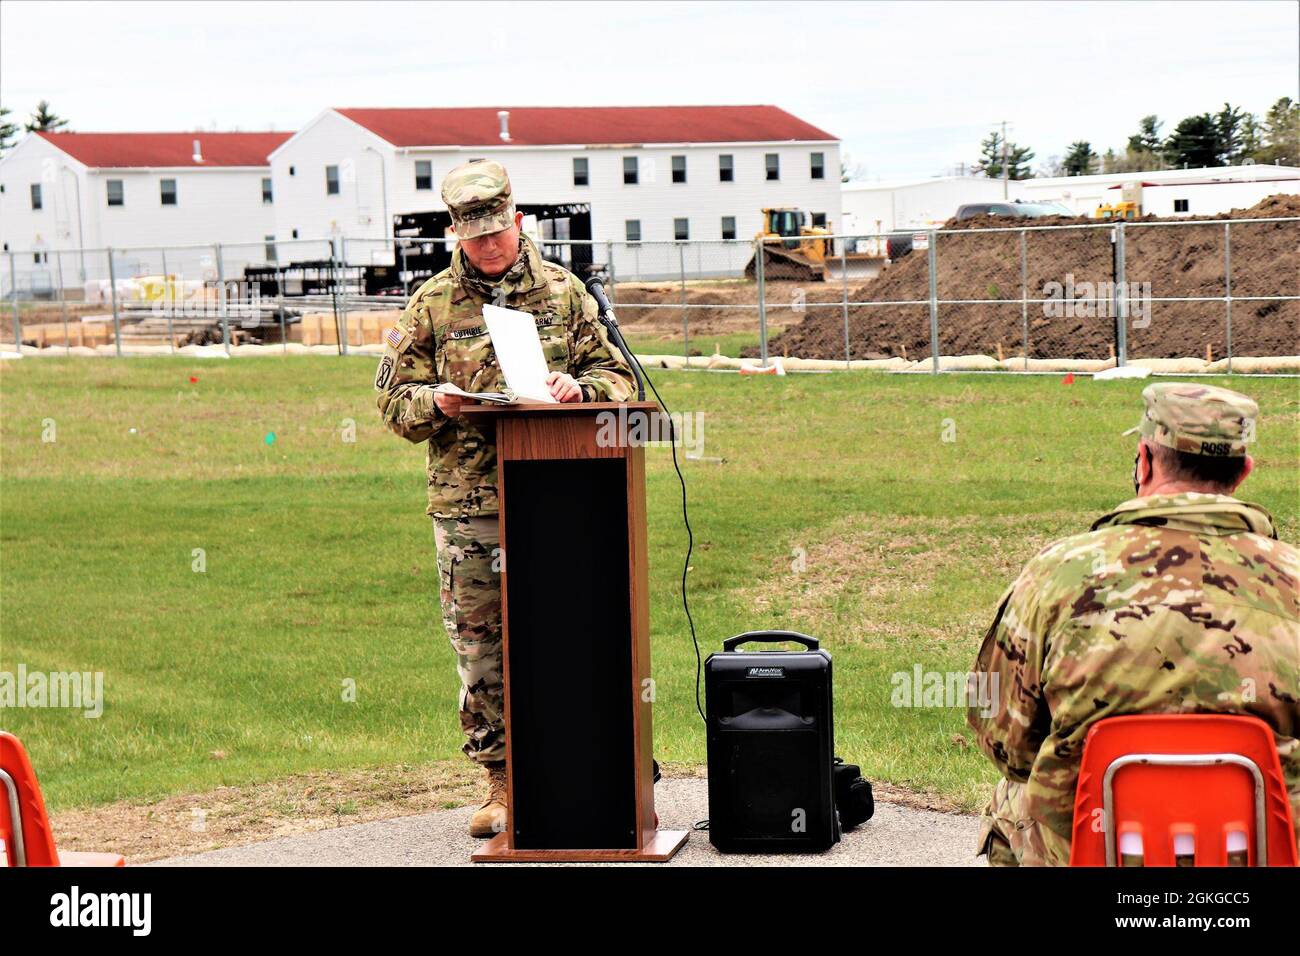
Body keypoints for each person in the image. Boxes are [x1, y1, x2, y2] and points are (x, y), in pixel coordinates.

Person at [375, 159, 635, 837]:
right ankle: (502, 780)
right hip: (471, 507)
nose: (489, 247)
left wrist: (586, 390)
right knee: (481, 647)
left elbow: (618, 376)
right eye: (474, 237)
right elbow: (393, 403)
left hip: (565, 498)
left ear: (518, 223)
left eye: (498, 233)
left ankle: (581, 769)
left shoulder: (565, 292)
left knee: (571, 635)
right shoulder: (431, 303)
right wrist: (439, 400)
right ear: (455, 235)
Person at [968, 382, 1300, 865]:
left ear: (1143, 460)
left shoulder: (1058, 572)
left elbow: (1004, 742)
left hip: (1094, 851)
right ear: (1243, 472)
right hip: (1260, 854)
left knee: (1011, 798)